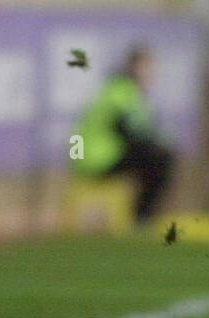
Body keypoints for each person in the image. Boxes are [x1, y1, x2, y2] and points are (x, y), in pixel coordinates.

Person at [71, 46, 174, 228]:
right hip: (98, 159)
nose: (151, 73)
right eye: (146, 67)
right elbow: (127, 132)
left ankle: (143, 216)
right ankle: (142, 218)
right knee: (160, 159)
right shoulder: (120, 91)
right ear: (133, 68)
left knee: (158, 156)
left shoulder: (129, 92)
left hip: (107, 155)